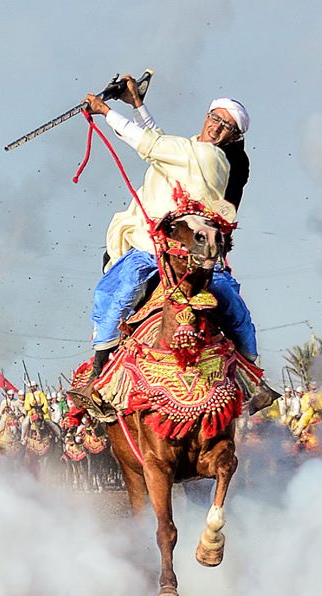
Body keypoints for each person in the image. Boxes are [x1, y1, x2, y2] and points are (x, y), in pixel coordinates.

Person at [80, 76, 258, 377]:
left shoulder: (210, 157)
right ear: (207, 116)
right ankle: (99, 376)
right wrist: (137, 104)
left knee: (231, 304)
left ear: (233, 137)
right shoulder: (186, 151)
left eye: (225, 126)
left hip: (190, 251)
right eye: (214, 118)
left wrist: (105, 111)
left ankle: (249, 374)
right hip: (153, 245)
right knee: (117, 294)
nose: (215, 127)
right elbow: (159, 142)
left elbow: (150, 144)